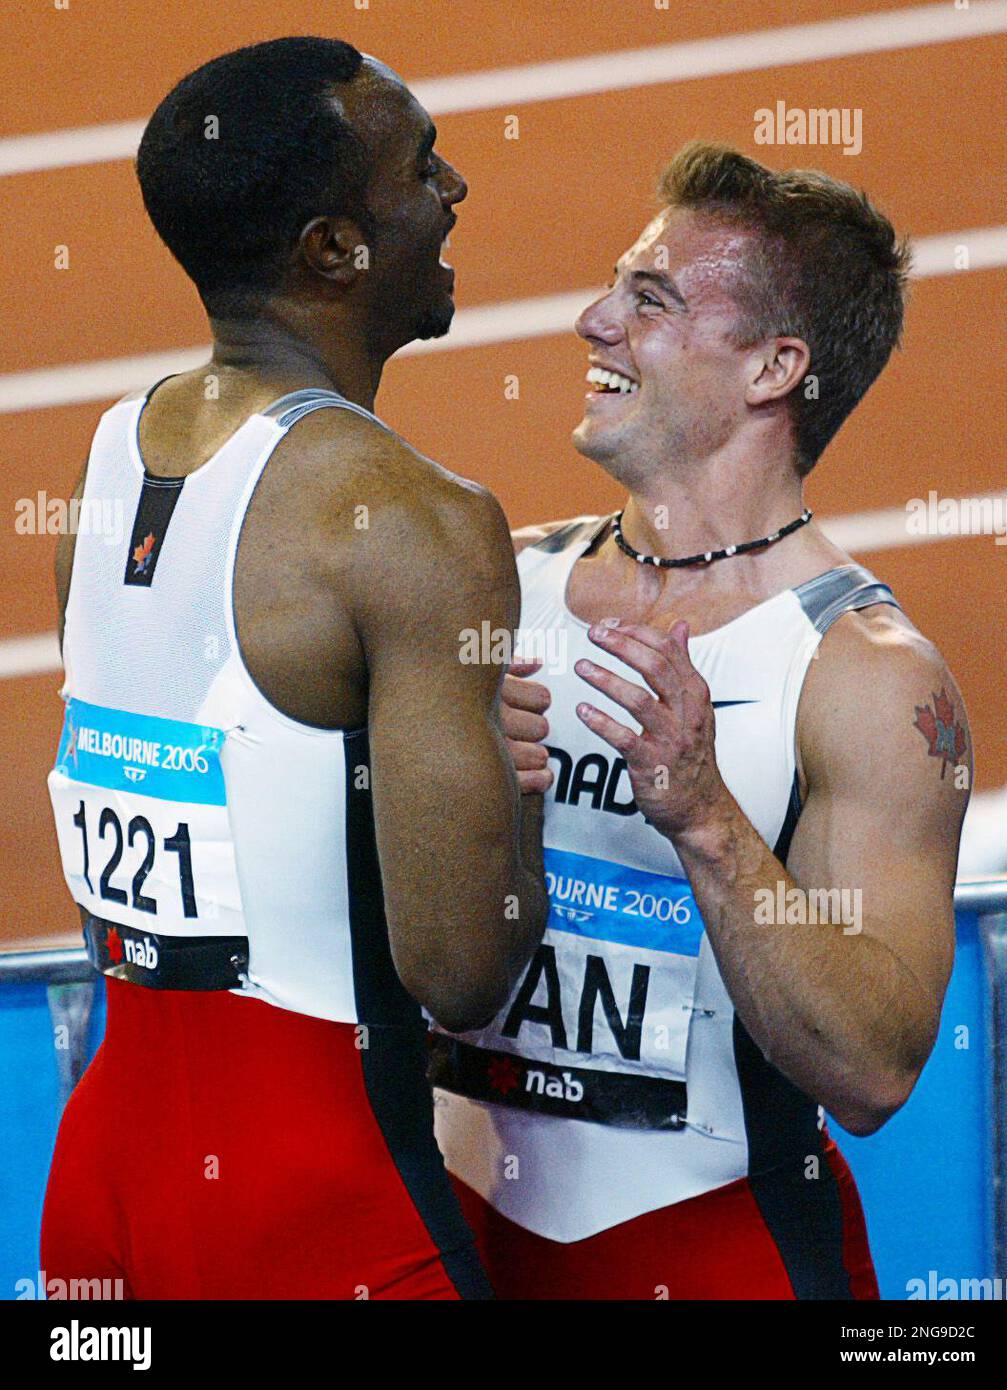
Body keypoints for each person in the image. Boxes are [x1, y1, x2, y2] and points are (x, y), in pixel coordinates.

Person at [42, 36, 547, 1300]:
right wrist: (519, 787)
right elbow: (461, 967)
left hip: (97, 1198)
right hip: (322, 1222)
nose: (456, 193)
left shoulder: (110, 463)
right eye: (422, 166)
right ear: (334, 248)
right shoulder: (415, 519)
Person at [430, 143, 972, 1299]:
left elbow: (873, 1072)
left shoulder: (865, 676)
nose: (592, 321)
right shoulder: (500, 585)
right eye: (615, 285)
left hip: (713, 1253)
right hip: (460, 1239)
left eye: (650, 299)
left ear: (774, 366)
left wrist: (707, 819)